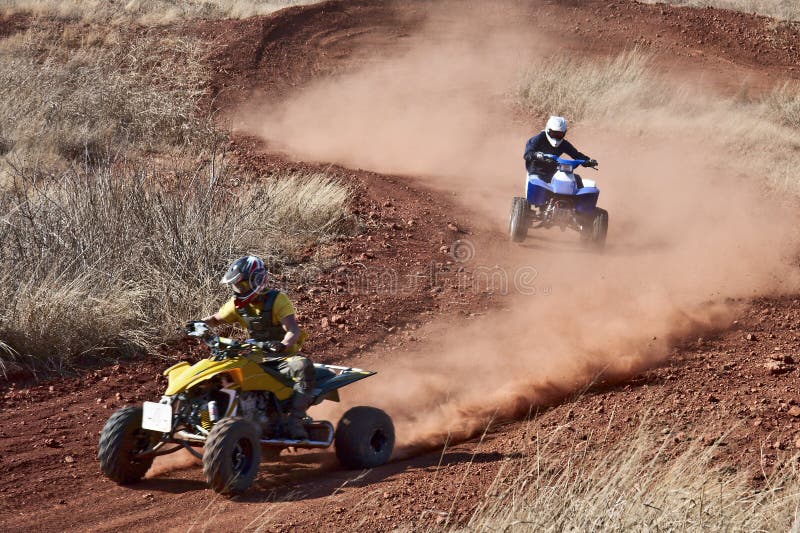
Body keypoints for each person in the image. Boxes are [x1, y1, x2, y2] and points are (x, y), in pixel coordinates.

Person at [200, 255, 315, 440]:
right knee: (218, 368)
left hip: (281, 358)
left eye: (242, 285)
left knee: (302, 366)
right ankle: (212, 415)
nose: (238, 290)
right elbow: (215, 319)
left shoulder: (278, 300)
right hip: (256, 356)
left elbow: (293, 330)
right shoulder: (237, 305)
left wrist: (283, 345)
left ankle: (296, 420)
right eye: (236, 286)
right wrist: (197, 324)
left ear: (257, 280)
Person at [524, 116, 597, 187]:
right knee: (536, 183)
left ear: (564, 133)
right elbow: (527, 154)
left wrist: (588, 161)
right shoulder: (538, 139)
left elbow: (576, 155)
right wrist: (536, 155)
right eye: (553, 133)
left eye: (559, 135)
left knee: (576, 179)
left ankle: (579, 199)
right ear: (548, 130)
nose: (556, 137)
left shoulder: (563, 144)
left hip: (553, 172)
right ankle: (534, 199)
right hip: (536, 171)